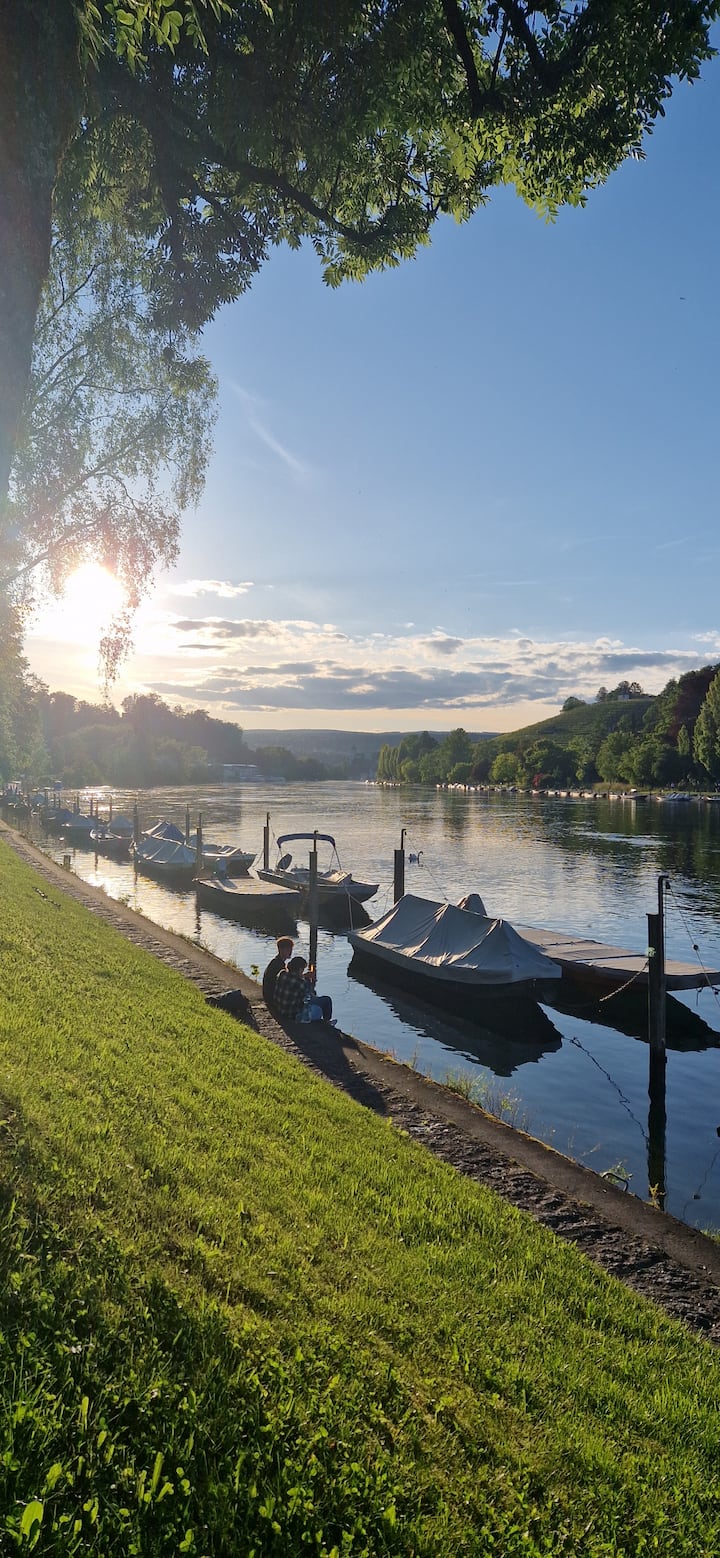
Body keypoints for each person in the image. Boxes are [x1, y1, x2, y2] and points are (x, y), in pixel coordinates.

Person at [275, 955, 334, 1025]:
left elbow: (294, 978)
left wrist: (304, 976)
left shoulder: (282, 974)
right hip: (293, 1014)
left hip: (280, 1009)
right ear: (300, 969)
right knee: (326, 1000)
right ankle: (327, 1023)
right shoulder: (301, 983)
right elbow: (311, 998)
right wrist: (312, 983)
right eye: (303, 969)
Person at [262, 935, 294, 1016]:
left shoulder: (276, 962)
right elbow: (287, 981)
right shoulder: (278, 964)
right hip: (271, 997)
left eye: (291, 949)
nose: (290, 951)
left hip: (269, 995)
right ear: (280, 949)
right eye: (288, 949)